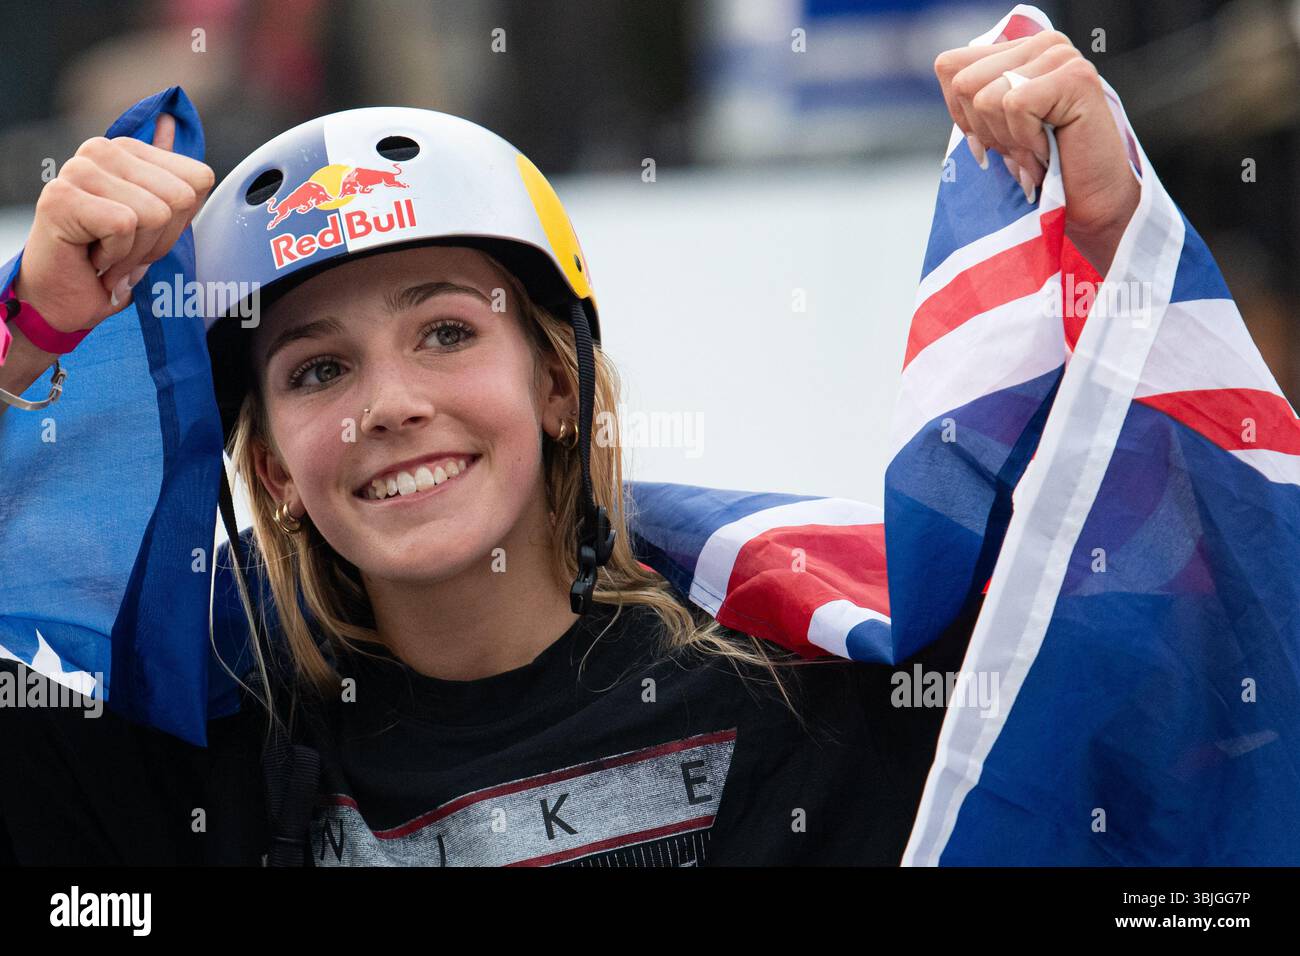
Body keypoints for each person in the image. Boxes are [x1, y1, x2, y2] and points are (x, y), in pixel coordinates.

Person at [0, 29, 1137, 866]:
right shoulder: (199, 748)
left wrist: (1115, 249)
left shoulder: (827, 691)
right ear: (273, 473)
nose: (389, 402)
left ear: (556, 386)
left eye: (445, 331)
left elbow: (1172, 661)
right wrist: (23, 338)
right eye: (318, 368)